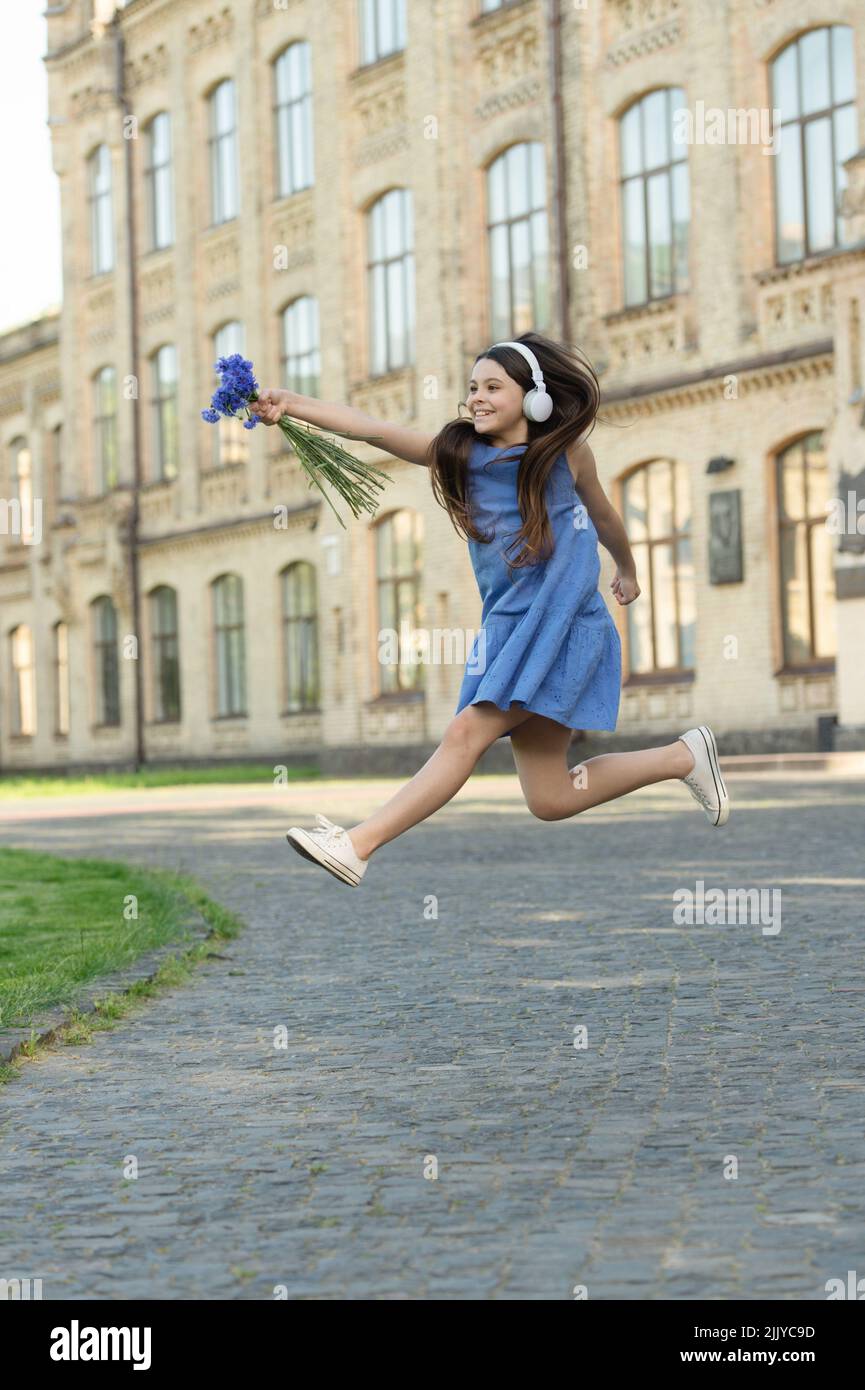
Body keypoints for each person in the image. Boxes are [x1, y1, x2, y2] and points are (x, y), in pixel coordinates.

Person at [251, 332, 729, 887]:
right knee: (550, 797)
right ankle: (683, 756)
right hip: (508, 630)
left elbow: (604, 517)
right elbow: (371, 427)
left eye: (493, 387)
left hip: (562, 626)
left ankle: (358, 844)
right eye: (472, 387)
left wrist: (628, 568)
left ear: (534, 398)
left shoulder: (566, 454)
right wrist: (291, 404)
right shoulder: (461, 456)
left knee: (464, 736)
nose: (477, 397)